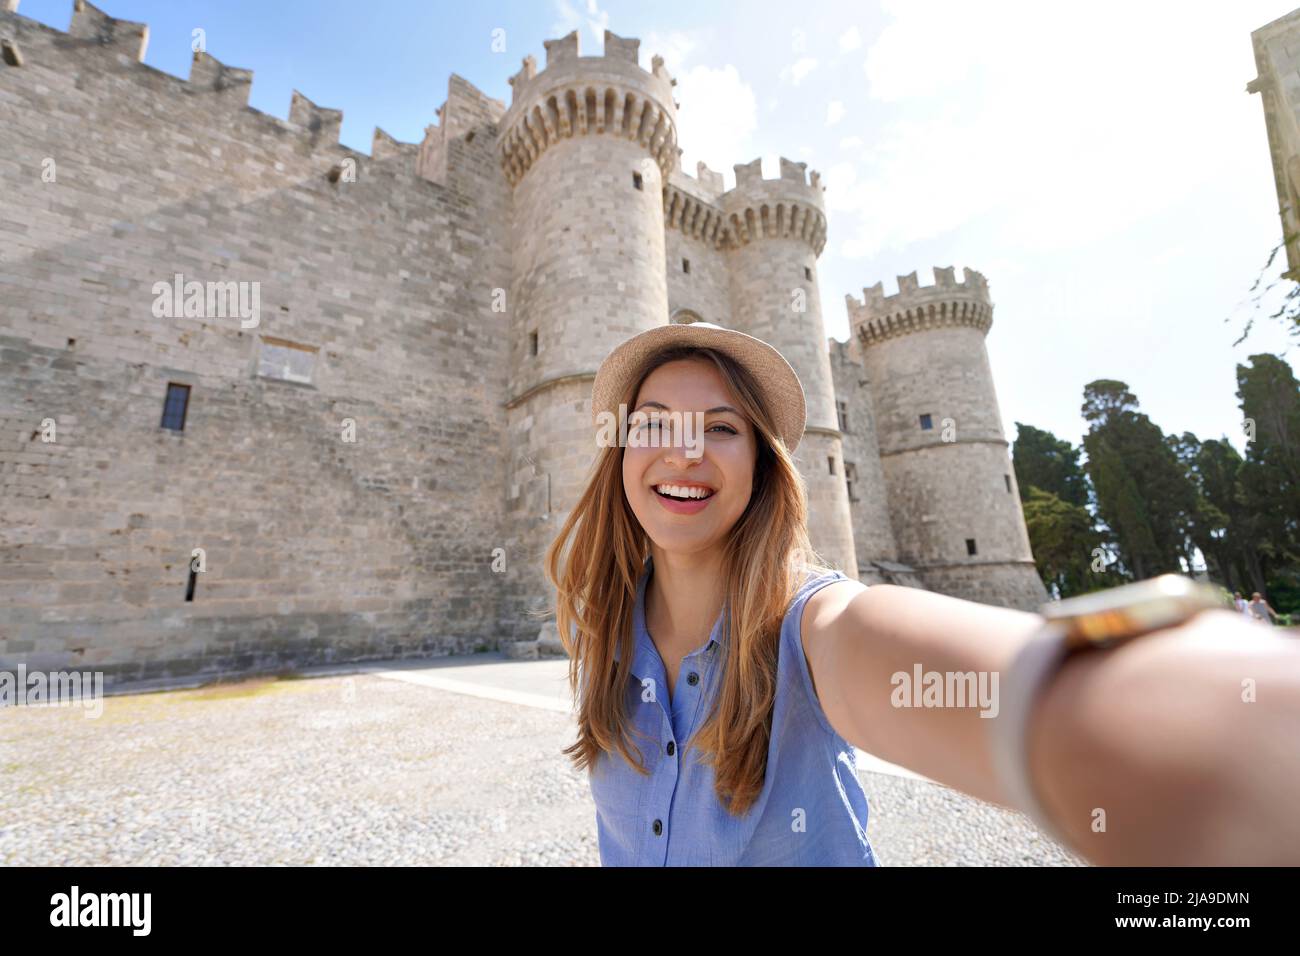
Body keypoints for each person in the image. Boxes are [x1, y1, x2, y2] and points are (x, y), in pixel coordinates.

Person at [544, 321, 1300, 866]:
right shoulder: (602, 634)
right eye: (654, 424)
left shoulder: (813, 631)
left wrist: (1140, 712)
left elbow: (914, 661)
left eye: (720, 427)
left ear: (765, 468)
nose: (684, 449)